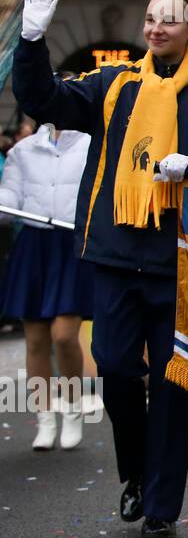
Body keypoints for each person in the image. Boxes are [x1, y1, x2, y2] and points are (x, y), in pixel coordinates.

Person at [14, 0, 188, 538]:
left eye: (168, 20)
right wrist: (31, 38)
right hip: (116, 255)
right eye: (150, 19)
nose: (155, 28)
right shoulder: (112, 84)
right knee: (117, 368)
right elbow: (42, 100)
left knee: (173, 388)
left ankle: (161, 506)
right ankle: (137, 475)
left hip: (180, 265)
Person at [0, 119, 93, 449]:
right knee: (36, 340)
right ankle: (45, 418)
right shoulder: (23, 150)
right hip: (35, 245)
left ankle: (72, 410)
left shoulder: (91, 142)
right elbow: (10, 197)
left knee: (64, 336)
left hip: (72, 243)